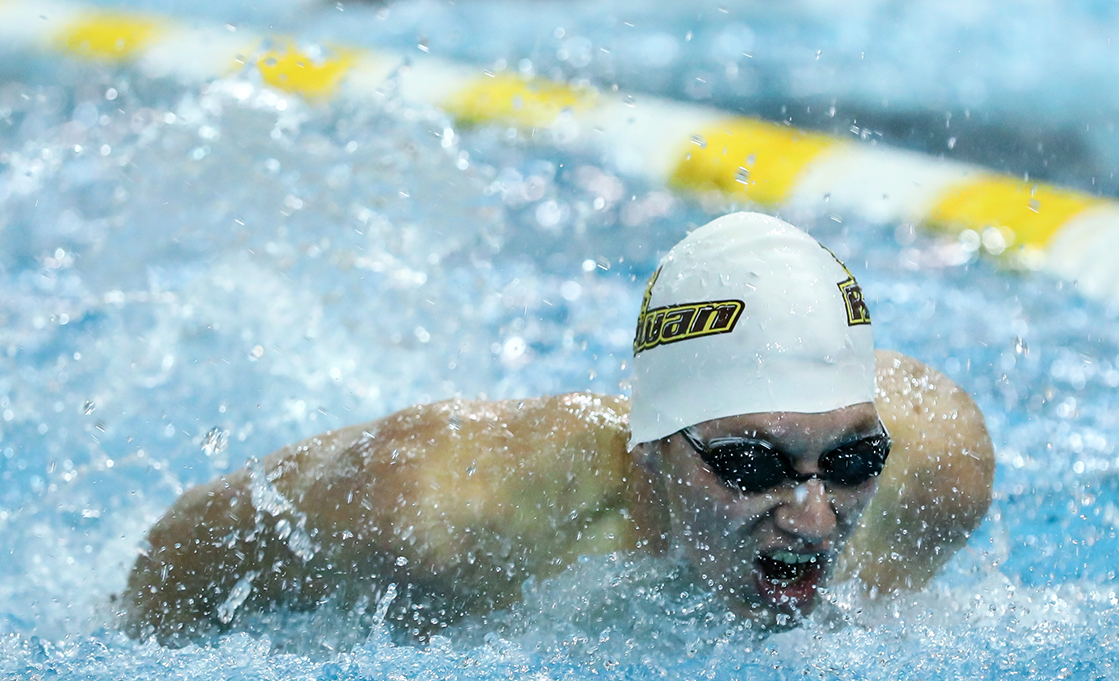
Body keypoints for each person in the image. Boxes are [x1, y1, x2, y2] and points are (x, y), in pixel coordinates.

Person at [119, 211, 993, 641]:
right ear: (649, 447)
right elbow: (183, 557)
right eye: (750, 465)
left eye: (850, 459)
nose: (812, 517)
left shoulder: (936, 474)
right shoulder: (444, 511)